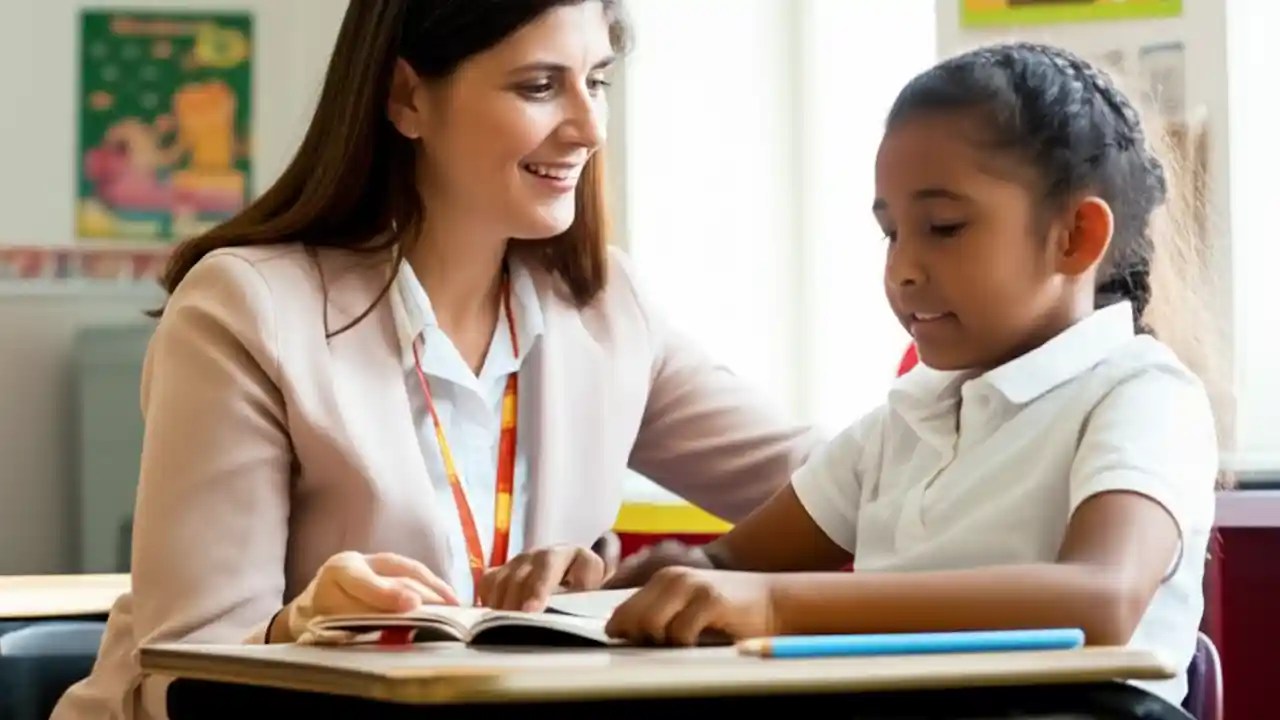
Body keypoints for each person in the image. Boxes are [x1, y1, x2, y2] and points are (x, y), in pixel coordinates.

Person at [52, 2, 819, 717]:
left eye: (597, 82)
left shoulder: (608, 308)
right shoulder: (250, 308)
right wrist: (303, 624)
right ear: (407, 98)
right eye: (540, 86)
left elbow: (842, 491)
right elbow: (183, 670)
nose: (589, 127)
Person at [600, 42, 1222, 707]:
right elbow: (728, 566)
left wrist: (779, 604)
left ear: (1073, 237)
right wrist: (632, 581)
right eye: (891, 233)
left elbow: (1101, 599)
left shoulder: (1142, 395)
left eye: (944, 227)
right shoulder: (905, 421)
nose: (902, 268)